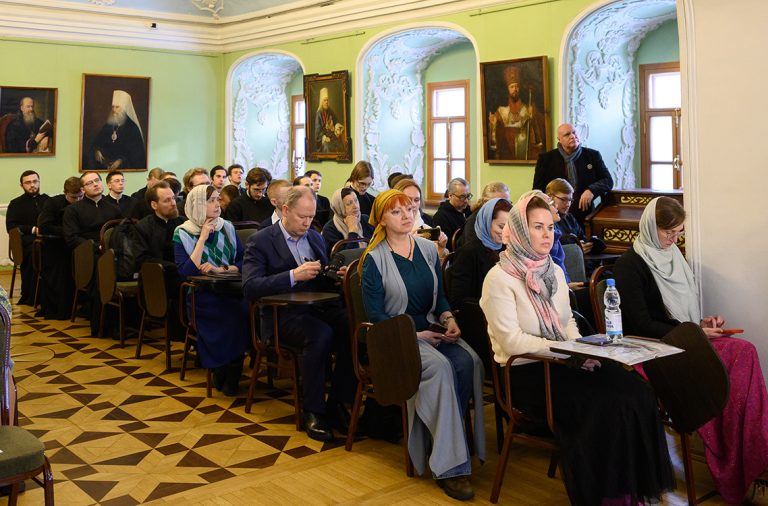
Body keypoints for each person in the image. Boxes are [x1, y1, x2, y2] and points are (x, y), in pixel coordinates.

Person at [480, 192, 675, 505]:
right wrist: (567, 351)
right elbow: (511, 342)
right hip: (525, 372)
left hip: (563, 360)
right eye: (538, 227)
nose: (548, 235)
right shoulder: (498, 279)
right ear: (518, 230)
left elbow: (568, 321)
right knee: (602, 402)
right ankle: (604, 496)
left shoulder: (553, 271)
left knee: (635, 389)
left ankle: (631, 490)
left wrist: (580, 348)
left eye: (550, 227)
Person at [613, 196, 768, 504]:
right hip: (652, 350)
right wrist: (693, 332)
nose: (674, 239)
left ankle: (753, 462)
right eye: (668, 232)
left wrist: (701, 323)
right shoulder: (629, 265)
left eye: (679, 232)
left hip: (683, 339)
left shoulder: (674, 258)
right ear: (649, 227)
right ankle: (739, 472)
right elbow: (641, 323)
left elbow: (676, 316)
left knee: (744, 353)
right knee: (733, 363)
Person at [360, 189, 485, 501]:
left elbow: (440, 296)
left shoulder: (428, 249)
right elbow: (376, 315)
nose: (406, 216)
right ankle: (451, 468)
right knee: (441, 368)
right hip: (395, 340)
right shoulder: (374, 259)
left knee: (471, 362)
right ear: (381, 220)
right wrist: (414, 336)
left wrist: (447, 319)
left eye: (409, 208)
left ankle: (446, 440)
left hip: (431, 329)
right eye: (396, 212)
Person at [242, 186, 356, 442]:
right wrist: (293, 275)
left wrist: (334, 276)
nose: (307, 223)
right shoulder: (261, 240)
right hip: (281, 316)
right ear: (285, 210)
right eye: (301, 217)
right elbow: (250, 287)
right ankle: (313, 410)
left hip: (317, 307)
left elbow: (321, 279)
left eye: (311, 217)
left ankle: (338, 402)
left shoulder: (314, 237)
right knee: (321, 334)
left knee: (353, 326)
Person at [173, 185, 250, 396]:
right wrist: (202, 238)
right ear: (197, 204)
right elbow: (186, 272)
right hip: (201, 295)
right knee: (227, 316)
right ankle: (222, 366)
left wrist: (223, 268)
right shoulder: (182, 233)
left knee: (243, 312)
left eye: (218, 199)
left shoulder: (227, 227)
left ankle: (231, 369)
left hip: (230, 289)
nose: (217, 204)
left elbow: (246, 262)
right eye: (211, 201)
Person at [134, 181, 187, 342]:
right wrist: (174, 266)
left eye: (174, 198)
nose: (173, 203)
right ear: (154, 205)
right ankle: (187, 334)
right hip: (157, 279)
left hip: (181, 273)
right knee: (188, 286)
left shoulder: (183, 223)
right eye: (167, 200)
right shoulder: (143, 227)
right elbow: (142, 259)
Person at [532, 123, 613, 226]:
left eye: (574, 132)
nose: (572, 136)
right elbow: (537, 190)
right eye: (567, 134)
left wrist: (591, 190)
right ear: (559, 139)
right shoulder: (546, 159)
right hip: (556, 217)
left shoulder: (592, 156)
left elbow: (608, 180)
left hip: (585, 214)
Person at [447, 198, 511, 309]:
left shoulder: (507, 249)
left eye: (509, 227)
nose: (505, 232)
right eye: (501, 227)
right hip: (479, 315)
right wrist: (495, 306)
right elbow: (458, 300)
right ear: (487, 222)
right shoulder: (468, 252)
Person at [36, 177, 83, 319]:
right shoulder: (53, 203)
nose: (77, 201)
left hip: (76, 245)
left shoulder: (84, 204)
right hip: (56, 245)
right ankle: (58, 309)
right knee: (60, 272)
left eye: (80, 196)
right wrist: (67, 231)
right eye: (74, 197)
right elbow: (44, 226)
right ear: (65, 193)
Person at [6, 170, 49, 305]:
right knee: (34, 251)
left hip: (48, 239)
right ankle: (33, 295)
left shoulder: (48, 201)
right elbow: (11, 227)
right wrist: (33, 229)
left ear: (39, 182)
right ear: (22, 185)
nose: (32, 185)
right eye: (28, 182)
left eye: (35, 181)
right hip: (26, 242)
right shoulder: (16, 204)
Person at [488, 66, 545, 161]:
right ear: (508, 89)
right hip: (507, 155)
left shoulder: (528, 109)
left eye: (517, 86)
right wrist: (493, 126)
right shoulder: (501, 111)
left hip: (525, 154)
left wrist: (533, 118)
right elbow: (494, 142)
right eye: (512, 87)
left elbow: (538, 140)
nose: (515, 89)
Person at [87, 90, 146, 170]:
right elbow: (97, 143)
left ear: (124, 109)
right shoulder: (109, 125)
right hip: (104, 166)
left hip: (124, 170)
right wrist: (97, 150)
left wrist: (121, 161)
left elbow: (136, 156)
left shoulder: (133, 128)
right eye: (113, 107)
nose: (114, 110)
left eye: (117, 107)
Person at [393, 178, 448, 260]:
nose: (413, 204)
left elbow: (436, 269)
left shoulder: (426, 230)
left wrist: (441, 249)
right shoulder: (387, 230)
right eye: (408, 199)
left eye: (416, 200)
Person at [321, 188, 374, 256]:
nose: (355, 206)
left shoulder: (366, 220)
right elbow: (344, 258)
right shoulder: (330, 229)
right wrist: (352, 232)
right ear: (339, 207)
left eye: (356, 200)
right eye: (349, 204)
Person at [458, 181, 509, 248]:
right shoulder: (473, 223)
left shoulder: (504, 219)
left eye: (507, 203)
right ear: (485, 202)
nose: (504, 207)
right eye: (499, 203)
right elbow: (475, 252)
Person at [432, 178, 472, 250]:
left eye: (468, 196)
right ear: (450, 196)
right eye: (462, 197)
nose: (466, 200)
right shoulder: (440, 217)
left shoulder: (470, 211)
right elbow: (447, 245)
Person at [314, 87, 338, 152]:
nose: (326, 102)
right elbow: (317, 132)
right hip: (323, 140)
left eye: (327, 100)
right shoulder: (319, 114)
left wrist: (335, 127)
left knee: (339, 145)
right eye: (325, 100)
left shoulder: (331, 111)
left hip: (332, 137)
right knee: (327, 147)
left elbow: (336, 123)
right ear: (321, 102)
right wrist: (324, 137)